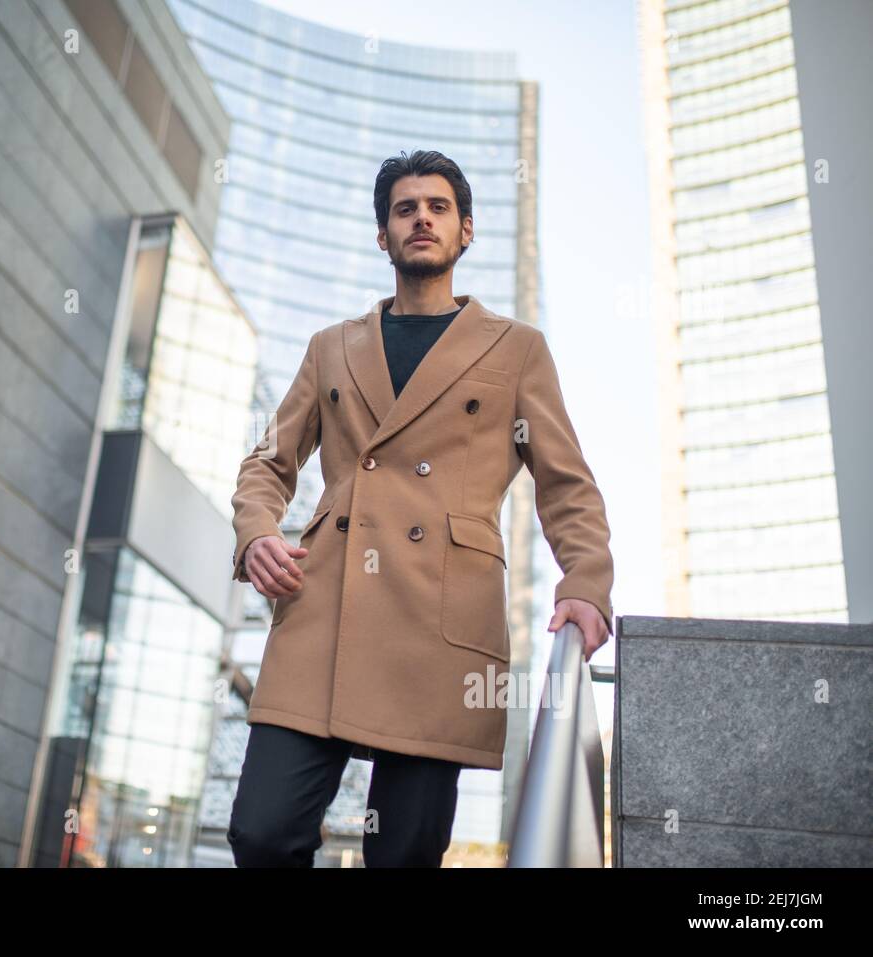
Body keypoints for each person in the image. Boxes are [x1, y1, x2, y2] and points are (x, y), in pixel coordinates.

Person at [227, 149, 615, 867]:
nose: (422, 219)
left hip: (440, 624)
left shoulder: (517, 349)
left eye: (438, 208)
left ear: (465, 230)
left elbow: (567, 485)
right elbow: (267, 462)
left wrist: (585, 584)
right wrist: (256, 537)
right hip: (324, 615)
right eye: (405, 209)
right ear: (384, 235)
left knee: (403, 853)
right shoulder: (330, 347)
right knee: (261, 830)